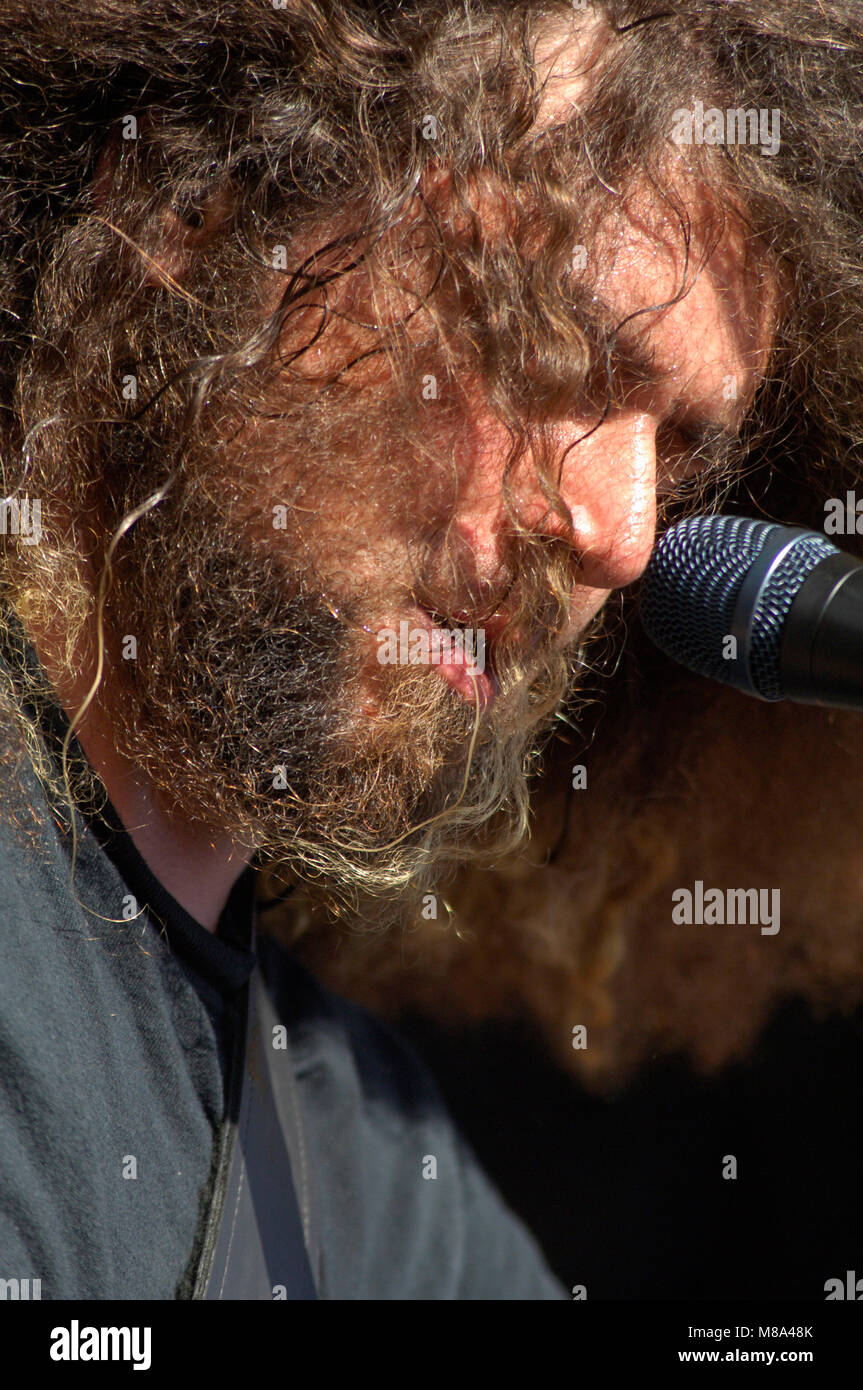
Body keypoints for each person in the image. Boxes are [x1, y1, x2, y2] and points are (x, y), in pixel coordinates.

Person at [0, 0, 856, 1299]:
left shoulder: (378, 1197)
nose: (623, 534)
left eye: (680, 450)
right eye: (558, 340)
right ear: (197, 201)